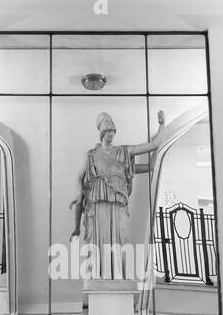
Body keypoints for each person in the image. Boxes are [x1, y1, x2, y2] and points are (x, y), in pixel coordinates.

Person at [70, 110, 164, 279]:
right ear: (102, 133)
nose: (111, 134)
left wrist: (162, 126)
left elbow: (153, 146)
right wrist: (78, 193)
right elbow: (79, 176)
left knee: (120, 235)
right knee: (99, 238)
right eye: (108, 131)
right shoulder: (91, 154)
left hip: (117, 198)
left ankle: (118, 273)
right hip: (96, 199)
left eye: (113, 131)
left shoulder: (124, 151)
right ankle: (98, 274)